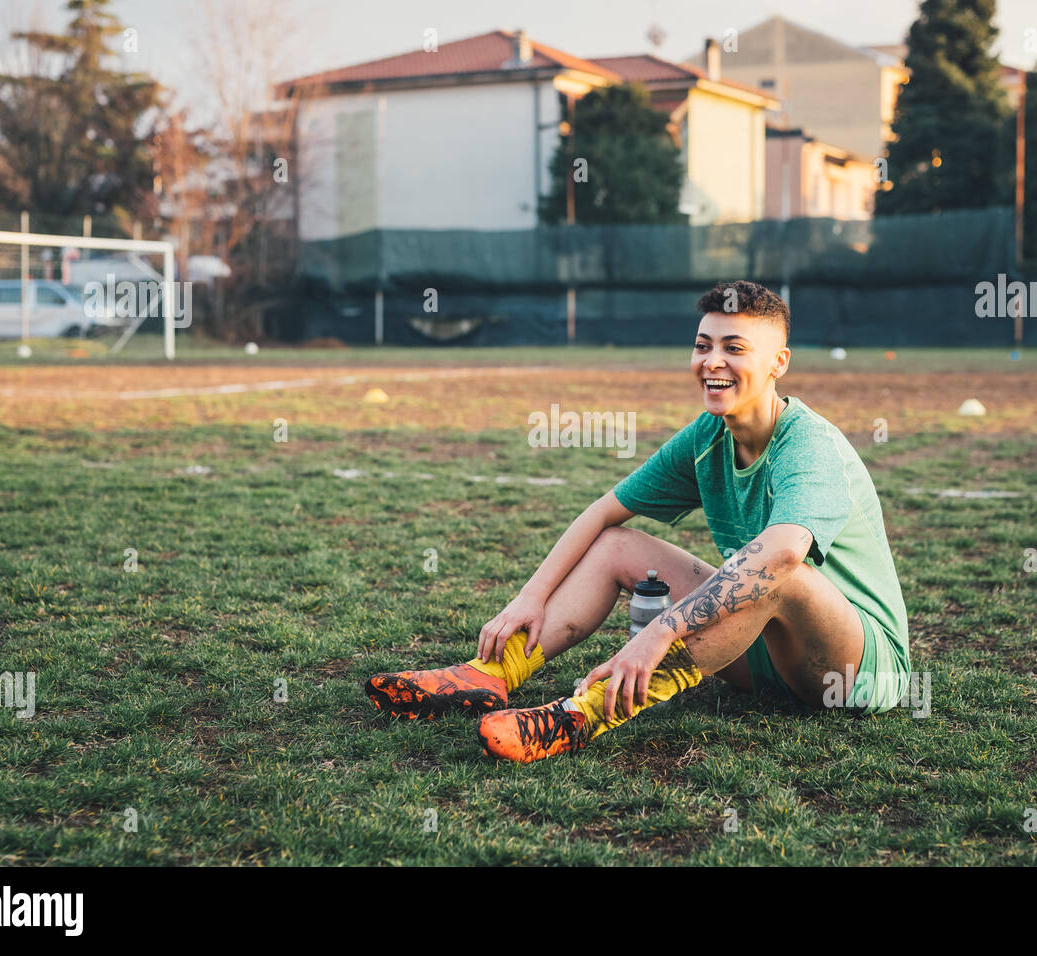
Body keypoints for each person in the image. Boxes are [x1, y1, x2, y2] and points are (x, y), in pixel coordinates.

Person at [366, 280, 910, 763]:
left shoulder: (808, 443)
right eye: (703, 346)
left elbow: (784, 554)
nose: (712, 361)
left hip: (851, 672)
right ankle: (491, 673)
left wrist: (661, 631)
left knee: (775, 571)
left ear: (778, 363)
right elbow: (604, 511)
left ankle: (583, 715)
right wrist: (528, 597)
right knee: (616, 544)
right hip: (759, 655)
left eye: (734, 348)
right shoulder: (707, 437)